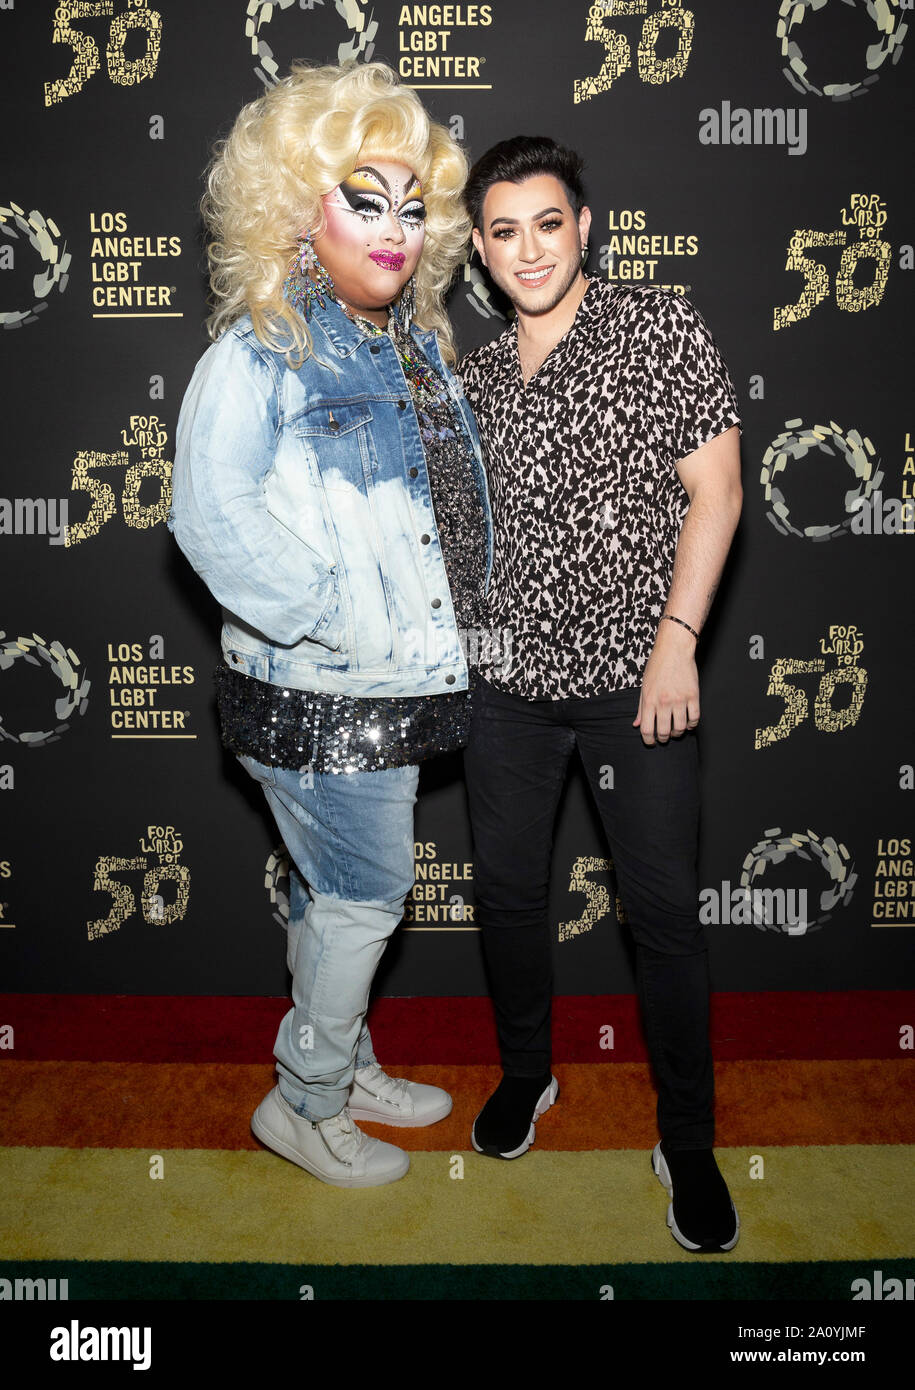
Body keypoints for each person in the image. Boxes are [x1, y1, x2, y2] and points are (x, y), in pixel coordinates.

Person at [168, 61, 492, 1189]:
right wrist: (325, 614)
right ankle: (302, 1100)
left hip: (391, 684)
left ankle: (344, 1065)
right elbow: (208, 514)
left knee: (327, 889)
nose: (396, 230)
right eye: (367, 199)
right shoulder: (260, 350)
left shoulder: (407, 347)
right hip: (318, 690)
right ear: (298, 208)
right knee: (367, 894)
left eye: (413, 206)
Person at [458, 135, 743, 1252]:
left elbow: (716, 496)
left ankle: (689, 1136)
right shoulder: (475, 378)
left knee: (666, 915)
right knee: (508, 892)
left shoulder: (658, 326)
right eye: (503, 231)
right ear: (481, 254)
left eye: (547, 222)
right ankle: (528, 1074)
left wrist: (676, 644)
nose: (528, 248)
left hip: (638, 683)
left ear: (584, 226)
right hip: (507, 692)